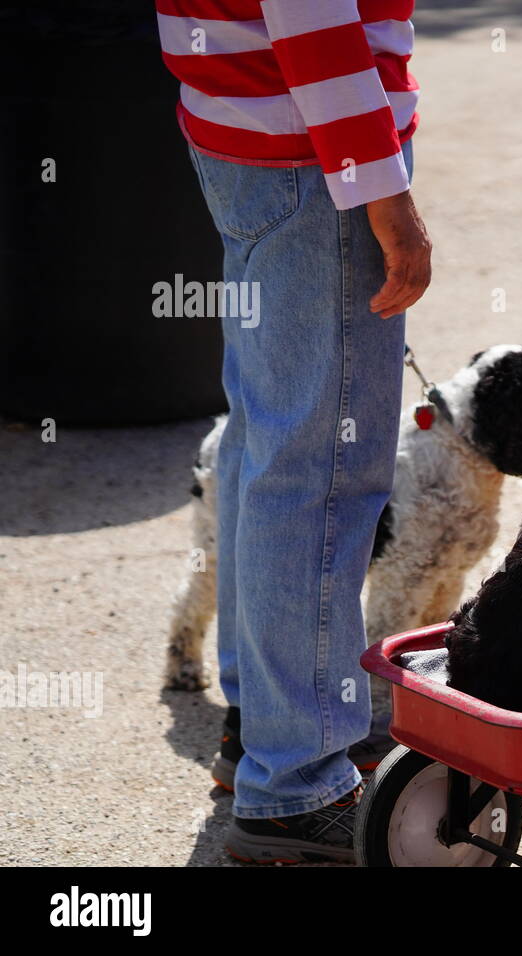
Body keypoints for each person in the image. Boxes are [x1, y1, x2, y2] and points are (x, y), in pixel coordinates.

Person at [157, 0, 432, 863]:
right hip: (313, 147)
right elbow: (312, 12)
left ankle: (266, 727)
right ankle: (297, 782)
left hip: (245, 125)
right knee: (317, 468)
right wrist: (384, 190)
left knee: (269, 438)